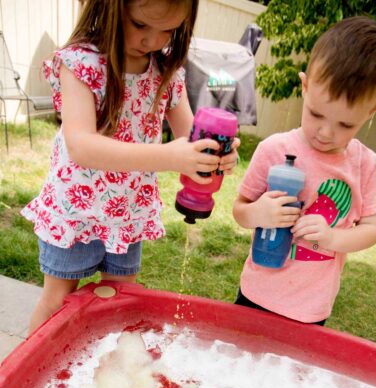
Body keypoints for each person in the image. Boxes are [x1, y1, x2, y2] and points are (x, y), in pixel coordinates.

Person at [22, 0, 238, 335]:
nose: (152, 41)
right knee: (57, 302)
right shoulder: (82, 64)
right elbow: (82, 146)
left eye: (168, 30)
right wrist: (167, 156)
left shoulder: (165, 72)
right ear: (109, 8)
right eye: (140, 25)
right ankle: (25, 379)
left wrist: (215, 155)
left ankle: (103, 374)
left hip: (127, 214)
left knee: (119, 303)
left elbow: (190, 136)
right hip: (76, 210)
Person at [232, 16, 376, 325]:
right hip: (256, 293)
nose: (325, 132)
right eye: (316, 114)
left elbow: (371, 230)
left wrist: (332, 238)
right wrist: (260, 213)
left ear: (373, 110)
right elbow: (240, 211)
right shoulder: (273, 149)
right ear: (305, 86)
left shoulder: (365, 164)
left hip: (310, 309)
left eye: (345, 124)